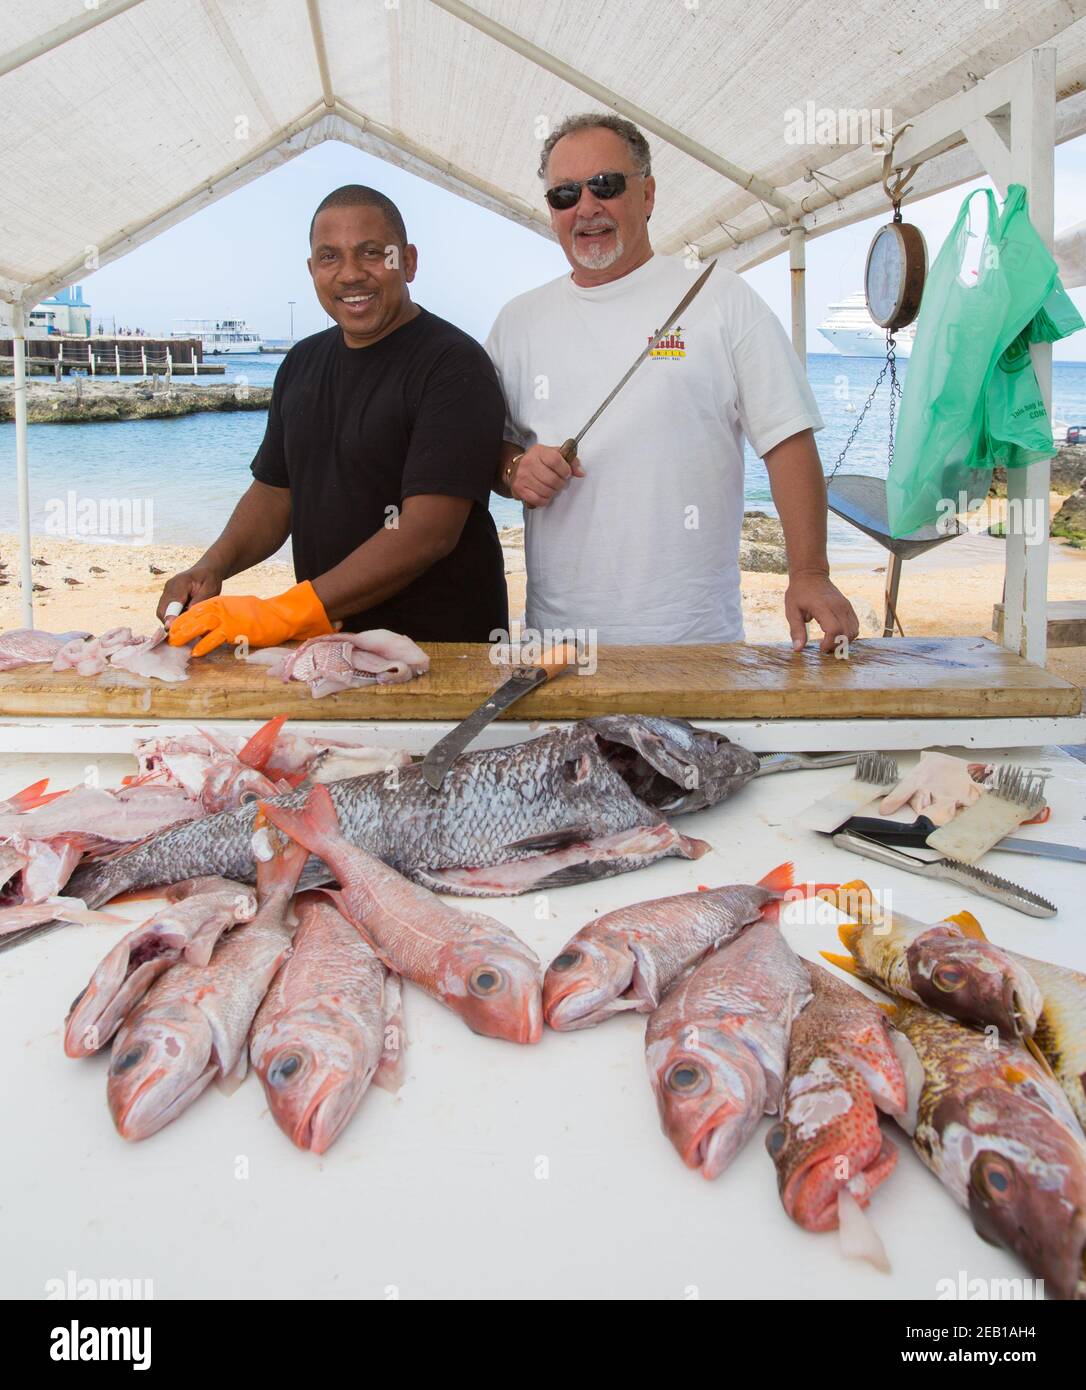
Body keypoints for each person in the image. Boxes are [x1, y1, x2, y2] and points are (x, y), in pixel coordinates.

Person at [486, 113, 859, 652]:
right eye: (564, 194)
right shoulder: (517, 321)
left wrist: (810, 573)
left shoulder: (724, 300)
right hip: (559, 647)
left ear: (648, 194)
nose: (586, 207)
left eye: (605, 186)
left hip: (695, 640)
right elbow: (485, 452)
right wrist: (515, 467)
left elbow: (787, 440)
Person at [160, 185, 508, 655]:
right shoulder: (301, 362)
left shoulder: (453, 363)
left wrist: (283, 613)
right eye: (329, 257)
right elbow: (274, 494)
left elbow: (429, 530)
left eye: (371, 253)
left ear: (408, 261)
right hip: (329, 646)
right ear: (311, 271)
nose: (350, 274)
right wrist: (211, 567)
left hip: (443, 650)